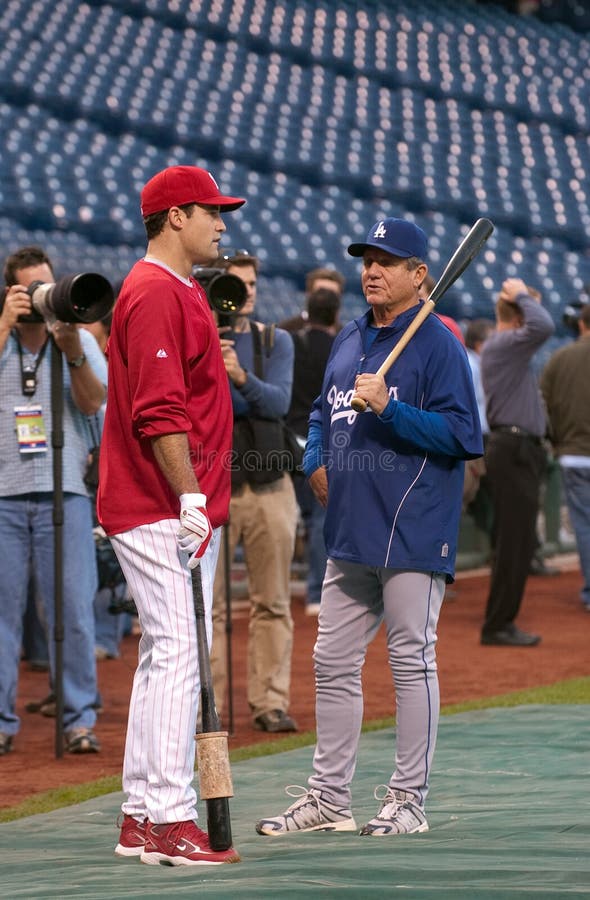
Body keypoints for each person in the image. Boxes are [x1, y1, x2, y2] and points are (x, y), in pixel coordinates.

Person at [255, 216, 482, 837]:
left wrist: (392, 409)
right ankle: (329, 798)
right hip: (351, 527)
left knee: (410, 660)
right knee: (331, 661)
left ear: (419, 275)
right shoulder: (350, 337)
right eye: (366, 258)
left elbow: (465, 435)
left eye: (387, 259)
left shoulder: (438, 343)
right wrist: (313, 458)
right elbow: (322, 410)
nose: (371, 269)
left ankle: (408, 801)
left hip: (412, 527)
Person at [97, 165, 244, 865]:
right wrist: (189, 496)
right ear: (175, 217)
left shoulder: (175, 288)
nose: (222, 223)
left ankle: (138, 815)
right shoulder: (154, 290)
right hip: (162, 505)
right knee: (180, 654)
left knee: (164, 655)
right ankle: (167, 816)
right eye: (211, 211)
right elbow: (159, 412)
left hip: (167, 504)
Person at [0, 245, 106, 756]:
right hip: (3, 495)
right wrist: (4, 324)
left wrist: (73, 350)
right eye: (30, 289)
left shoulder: (79, 338)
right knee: (2, 615)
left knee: (74, 612)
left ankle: (79, 719)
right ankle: (1, 722)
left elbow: (93, 402)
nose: (42, 297)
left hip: (66, 491)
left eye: (47, 285)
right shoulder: (2, 338)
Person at [209, 250, 299, 733]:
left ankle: (269, 703)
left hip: (269, 485)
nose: (242, 294)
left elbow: (279, 403)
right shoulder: (195, 338)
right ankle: (212, 708)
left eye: (250, 285)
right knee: (213, 607)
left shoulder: (274, 339)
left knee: (273, 600)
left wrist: (239, 376)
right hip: (212, 486)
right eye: (233, 283)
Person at [480, 279, 555, 647]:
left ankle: (500, 621)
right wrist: (524, 294)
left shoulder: (504, 348)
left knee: (517, 542)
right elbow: (544, 326)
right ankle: (497, 624)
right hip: (513, 449)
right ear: (517, 316)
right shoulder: (504, 344)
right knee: (514, 543)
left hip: (518, 449)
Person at [286, 287, 341, 615]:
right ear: (335, 315)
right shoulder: (341, 348)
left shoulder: (292, 343)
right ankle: (316, 592)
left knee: (296, 517)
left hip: (291, 438)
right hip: (322, 439)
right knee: (320, 518)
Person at [540, 302, 590, 611]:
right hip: (574, 452)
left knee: (584, 526)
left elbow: (541, 405)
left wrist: (555, 440)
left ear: (581, 325)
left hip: (573, 455)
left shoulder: (559, 358)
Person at [278, 266, 345, 333]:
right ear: (308, 295)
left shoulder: (347, 336)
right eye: (321, 293)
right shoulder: (286, 330)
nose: (327, 298)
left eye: (332, 295)